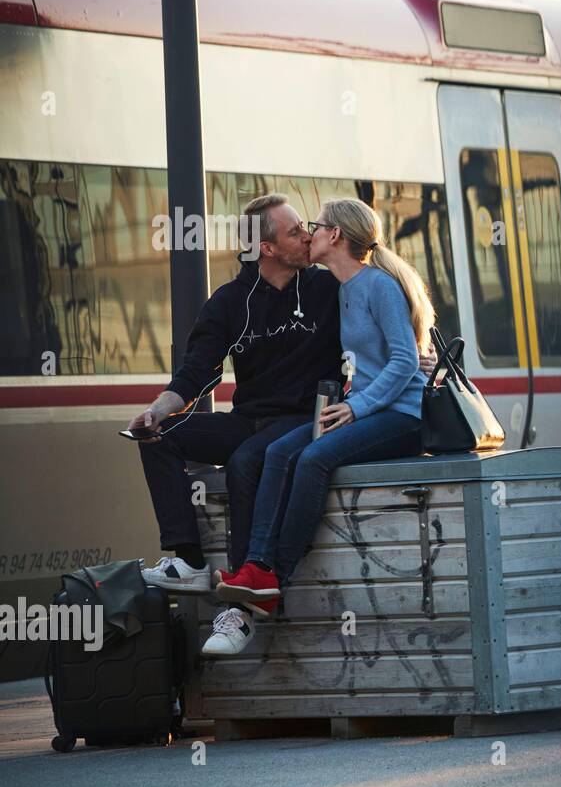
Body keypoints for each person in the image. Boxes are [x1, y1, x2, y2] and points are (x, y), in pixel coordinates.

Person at [203, 197, 436, 655]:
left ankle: (277, 574)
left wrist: (356, 407)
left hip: (401, 416)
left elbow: (405, 361)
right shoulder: (343, 289)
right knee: (277, 452)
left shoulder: (379, 285)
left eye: (317, 225)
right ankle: (256, 566)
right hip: (367, 409)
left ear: (336, 235)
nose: (310, 233)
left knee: (313, 458)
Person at [129, 194, 345, 600]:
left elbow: (374, 326)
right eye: (295, 232)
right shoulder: (229, 301)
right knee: (158, 437)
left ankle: (244, 587)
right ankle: (190, 562)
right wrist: (155, 411)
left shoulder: (327, 288)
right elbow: (196, 372)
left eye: (304, 228)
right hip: (249, 421)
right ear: (267, 248)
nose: (307, 237)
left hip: (304, 419)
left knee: (246, 461)